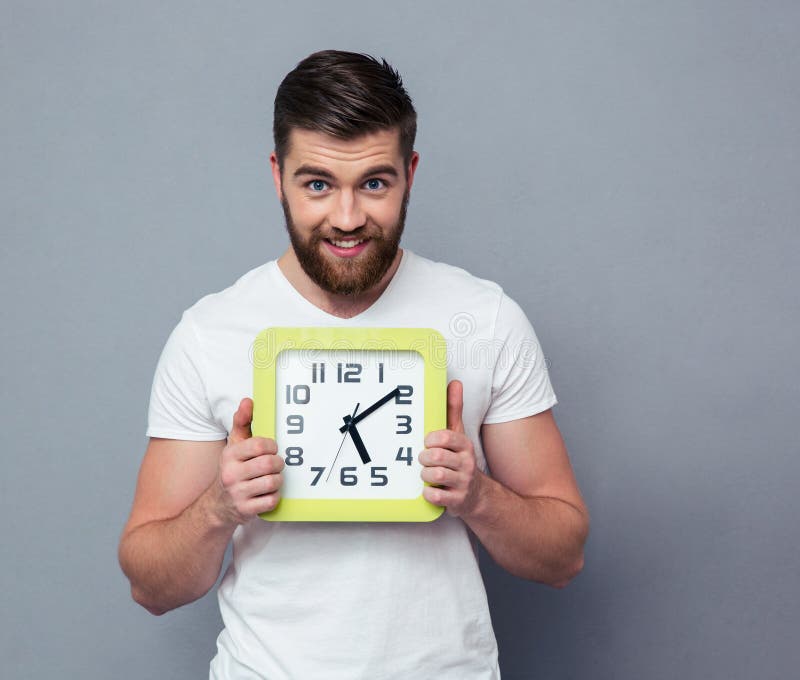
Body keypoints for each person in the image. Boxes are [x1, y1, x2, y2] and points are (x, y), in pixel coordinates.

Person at [119, 50, 589, 679]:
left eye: (374, 182)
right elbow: (150, 586)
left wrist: (477, 496)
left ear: (410, 174)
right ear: (277, 175)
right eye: (317, 184)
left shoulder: (487, 319)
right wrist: (219, 507)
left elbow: (563, 558)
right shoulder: (210, 333)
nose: (346, 218)